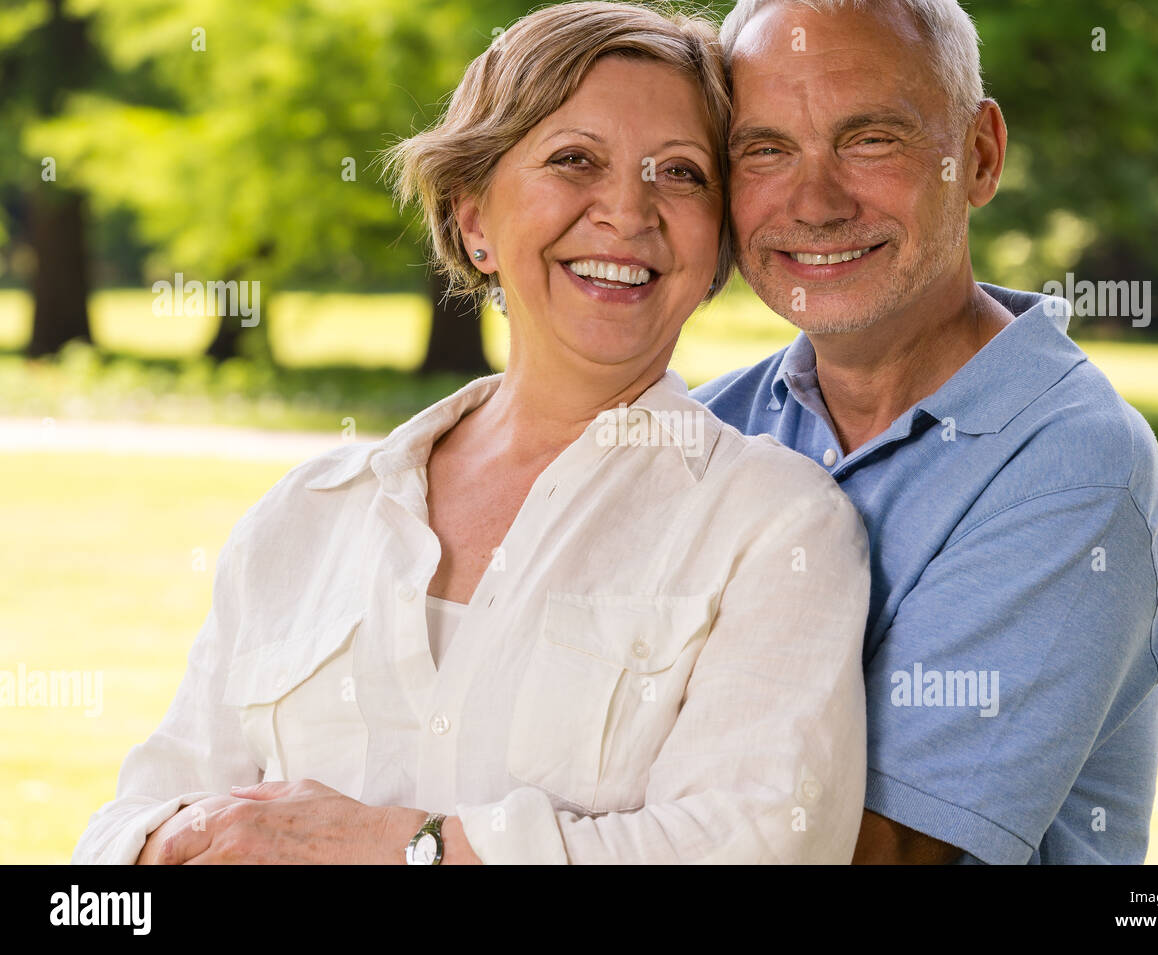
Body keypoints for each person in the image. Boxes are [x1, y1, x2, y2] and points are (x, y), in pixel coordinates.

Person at [71, 1, 872, 865]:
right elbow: (127, 828)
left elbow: (754, 845)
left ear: (716, 241)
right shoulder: (305, 516)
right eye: (574, 160)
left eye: (679, 173)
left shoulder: (775, 525)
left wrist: (406, 848)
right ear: (473, 218)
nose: (628, 211)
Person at [692, 0, 1158, 864]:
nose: (814, 203)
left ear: (982, 155)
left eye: (871, 138)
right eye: (765, 150)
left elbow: (863, 853)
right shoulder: (702, 428)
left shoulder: (1074, 467)